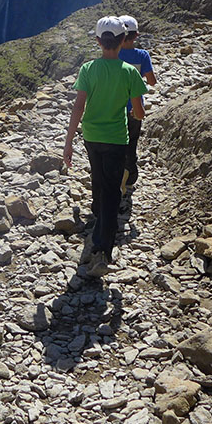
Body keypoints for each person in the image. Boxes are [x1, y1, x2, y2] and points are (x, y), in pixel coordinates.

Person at [63, 16, 147, 276]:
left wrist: (68, 144)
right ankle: (102, 249)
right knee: (112, 192)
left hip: (91, 136)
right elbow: (139, 112)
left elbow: (78, 107)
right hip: (116, 138)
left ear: (98, 41)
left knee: (97, 178)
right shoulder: (130, 72)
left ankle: (97, 219)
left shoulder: (88, 69)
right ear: (123, 41)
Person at [117, 15, 157, 199]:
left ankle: (115, 179)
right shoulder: (142, 55)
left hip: (114, 107)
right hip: (135, 108)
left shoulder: (113, 54)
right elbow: (152, 81)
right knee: (132, 144)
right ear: (137, 35)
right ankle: (130, 180)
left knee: (115, 144)